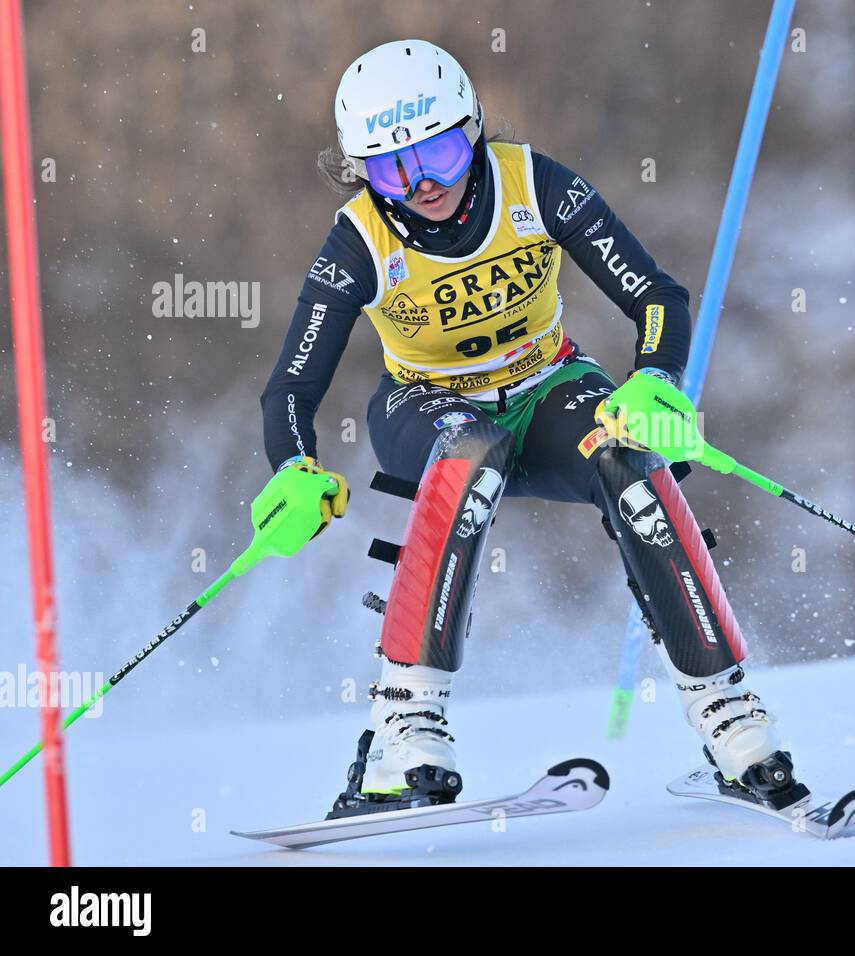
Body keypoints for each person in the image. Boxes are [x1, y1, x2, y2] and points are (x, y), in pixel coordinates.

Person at [258, 39, 808, 816]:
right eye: (391, 170)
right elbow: (289, 387)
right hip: (428, 405)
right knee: (470, 451)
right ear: (360, 172)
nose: (423, 185)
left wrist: (654, 378)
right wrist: (293, 468)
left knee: (629, 458)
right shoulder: (359, 240)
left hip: (547, 384)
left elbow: (656, 294)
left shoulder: (533, 184)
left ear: (475, 129)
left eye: (441, 154)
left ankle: (730, 718)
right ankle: (403, 727)